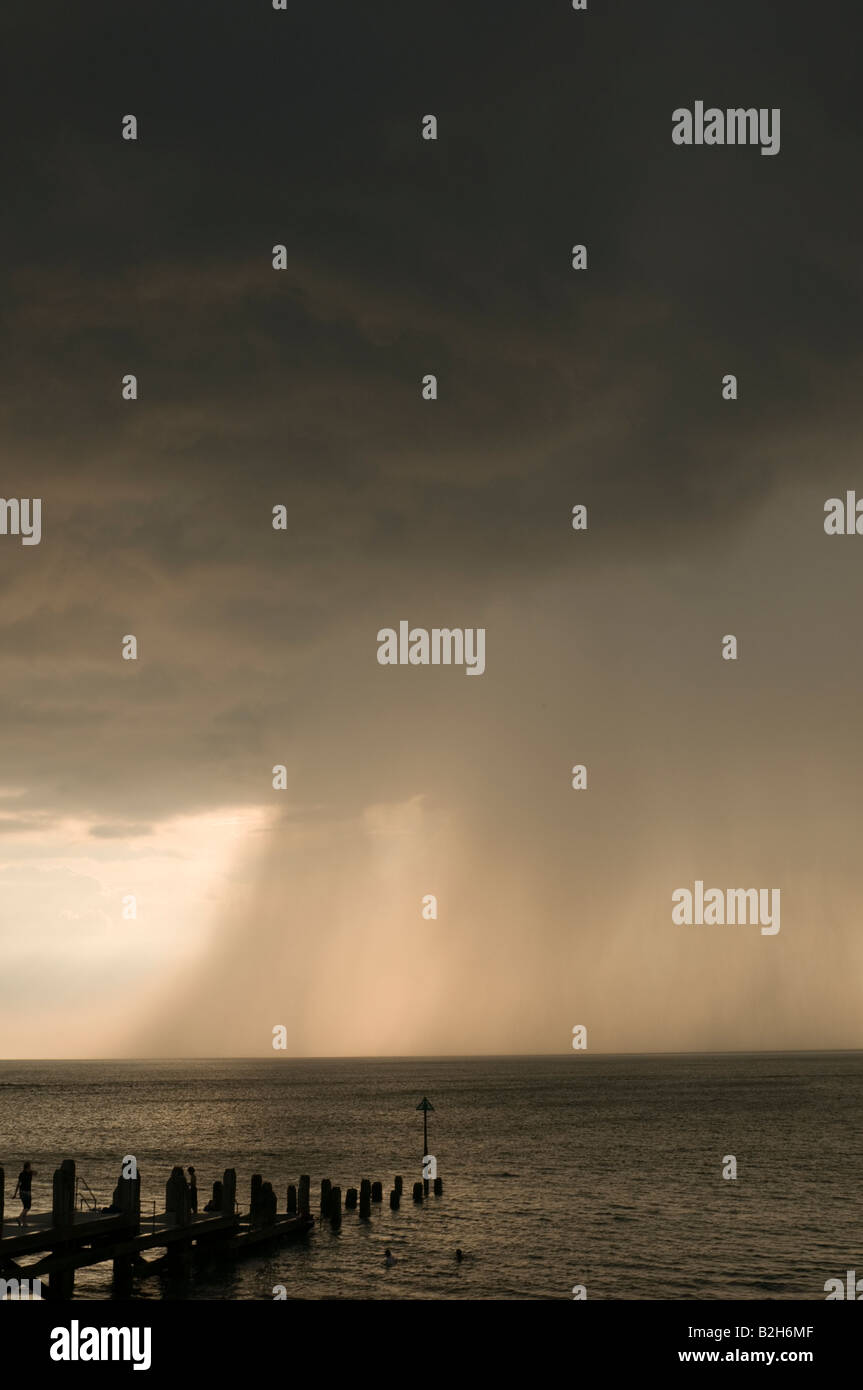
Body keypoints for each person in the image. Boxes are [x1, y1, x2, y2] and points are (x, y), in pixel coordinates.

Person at [12, 1161, 35, 1226]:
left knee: (25, 1207)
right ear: (28, 1167)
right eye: (30, 1167)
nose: (30, 1168)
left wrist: (15, 1194)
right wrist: (31, 1171)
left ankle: (24, 1223)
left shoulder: (21, 1174)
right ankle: (19, 1218)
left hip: (21, 1191)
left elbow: (18, 1184)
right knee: (28, 1207)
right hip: (27, 1192)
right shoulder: (30, 1173)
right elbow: (36, 1173)